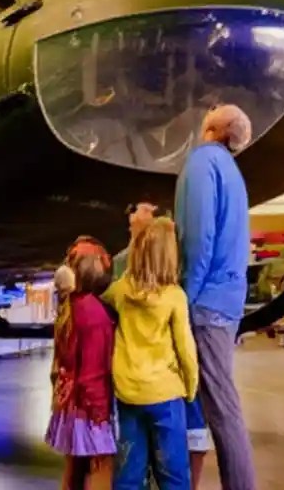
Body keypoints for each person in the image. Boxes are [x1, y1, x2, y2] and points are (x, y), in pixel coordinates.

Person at [176, 104, 257, 490]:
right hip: (227, 301)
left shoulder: (202, 161)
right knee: (220, 404)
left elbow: (199, 239)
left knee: (221, 408)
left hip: (205, 303)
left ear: (214, 126)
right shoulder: (234, 173)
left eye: (211, 109)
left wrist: (183, 300)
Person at [114, 201, 210, 489]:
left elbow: (108, 292)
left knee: (129, 474)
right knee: (173, 475)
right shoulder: (174, 296)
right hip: (167, 396)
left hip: (129, 393)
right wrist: (190, 387)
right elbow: (185, 348)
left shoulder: (122, 290)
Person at [45, 237, 117, 490]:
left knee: (74, 472)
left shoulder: (69, 305)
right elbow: (94, 370)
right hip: (88, 407)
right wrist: (100, 414)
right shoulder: (95, 313)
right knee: (96, 471)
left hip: (69, 404)